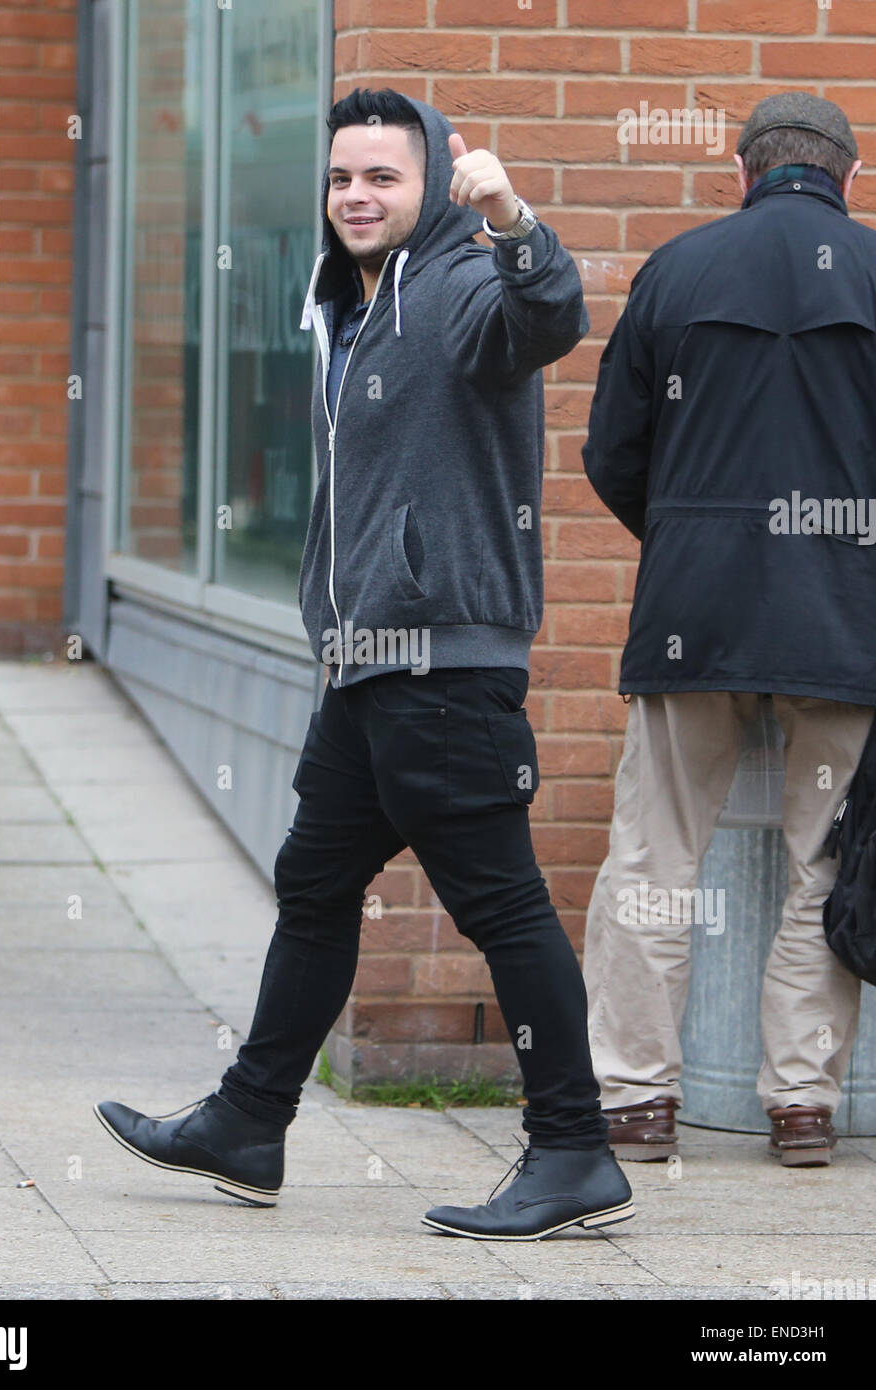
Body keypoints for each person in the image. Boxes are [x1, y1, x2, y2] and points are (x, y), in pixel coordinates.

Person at [95, 87, 634, 1240]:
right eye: (341, 177)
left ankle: (574, 1148)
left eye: (381, 177)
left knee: (503, 905)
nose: (355, 196)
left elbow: (547, 315)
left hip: (441, 663)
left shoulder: (456, 288)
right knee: (316, 881)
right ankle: (248, 1122)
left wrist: (511, 219)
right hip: (367, 666)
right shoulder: (359, 303)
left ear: (429, 180)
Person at [581, 92, 876, 1168]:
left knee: (655, 855)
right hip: (843, 619)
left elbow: (613, 452)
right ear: (848, 176)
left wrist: (684, 539)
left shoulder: (677, 267)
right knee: (823, 864)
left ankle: (635, 1103)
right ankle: (801, 1106)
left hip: (688, 617)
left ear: (742, 173)